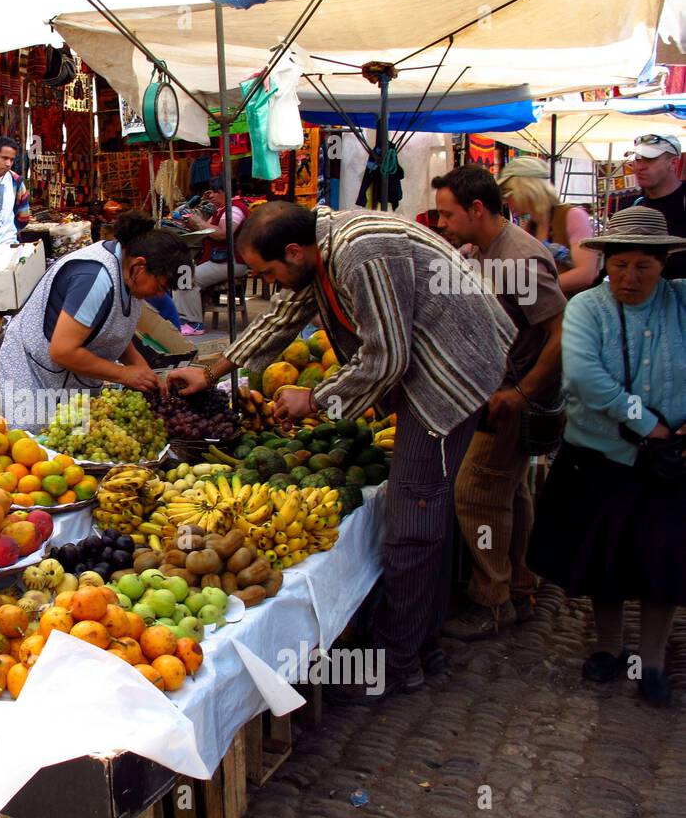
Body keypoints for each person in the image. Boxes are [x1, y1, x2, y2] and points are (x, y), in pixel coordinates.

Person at [169, 202, 516, 693]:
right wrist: (211, 370)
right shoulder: (317, 251)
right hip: (423, 363)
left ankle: (399, 661)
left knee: (415, 511)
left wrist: (314, 398)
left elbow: (386, 357)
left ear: (293, 251)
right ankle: (420, 642)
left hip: (450, 369)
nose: (268, 283)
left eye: (268, 272)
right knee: (425, 505)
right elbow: (282, 319)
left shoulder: (360, 253)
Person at [528, 207, 686, 705]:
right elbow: (585, 378)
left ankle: (653, 662)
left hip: (671, 461)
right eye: (620, 265)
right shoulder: (586, 309)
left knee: (663, 562)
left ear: (664, 264)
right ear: (606, 262)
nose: (629, 277)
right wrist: (647, 422)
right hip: (599, 455)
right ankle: (609, 648)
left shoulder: (681, 305)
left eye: (644, 266)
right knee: (604, 559)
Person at [431, 165, 567, 638]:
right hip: (493, 394)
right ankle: (521, 582)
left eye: (448, 215)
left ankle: (492, 600)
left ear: (477, 209)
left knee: (474, 492)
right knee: (511, 490)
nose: (442, 224)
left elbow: (560, 335)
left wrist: (521, 392)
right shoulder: (481, 250)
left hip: (515, 401)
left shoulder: (521, 260)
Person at [0, 210, 187, 429]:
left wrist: (142, 372)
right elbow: (62, 351)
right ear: (139, 266)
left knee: (72, 445)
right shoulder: (95, 278)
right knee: (34, 449)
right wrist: (124, 374)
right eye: (161, 286)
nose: (161, 295)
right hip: (31, 372)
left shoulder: (129, 277)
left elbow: (113, 331)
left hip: (69, 381)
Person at [497, 157, 600, 296]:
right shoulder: (530, 226)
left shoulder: (572, 216)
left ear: (525, 189)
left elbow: (586, 274)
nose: (505, 201)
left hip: (574, 311)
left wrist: (537, 288)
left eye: (507, 193)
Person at [172, 181, 251, 335]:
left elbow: (223, 233)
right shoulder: (221, 210)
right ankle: (184, 319)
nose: (212, 196)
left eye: (215, 192)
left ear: (225, 191)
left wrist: (199, 222)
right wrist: (191, 223)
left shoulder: (234, 208)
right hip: (221, 260)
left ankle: (193, 323)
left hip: (232, 261)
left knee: (185, 277)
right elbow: (206, 229)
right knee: (182, 274)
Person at [628, 133, 684, 280]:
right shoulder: (637, 207)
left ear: (673, 163)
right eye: (637, 159)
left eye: (649, 159)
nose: (640, 167)